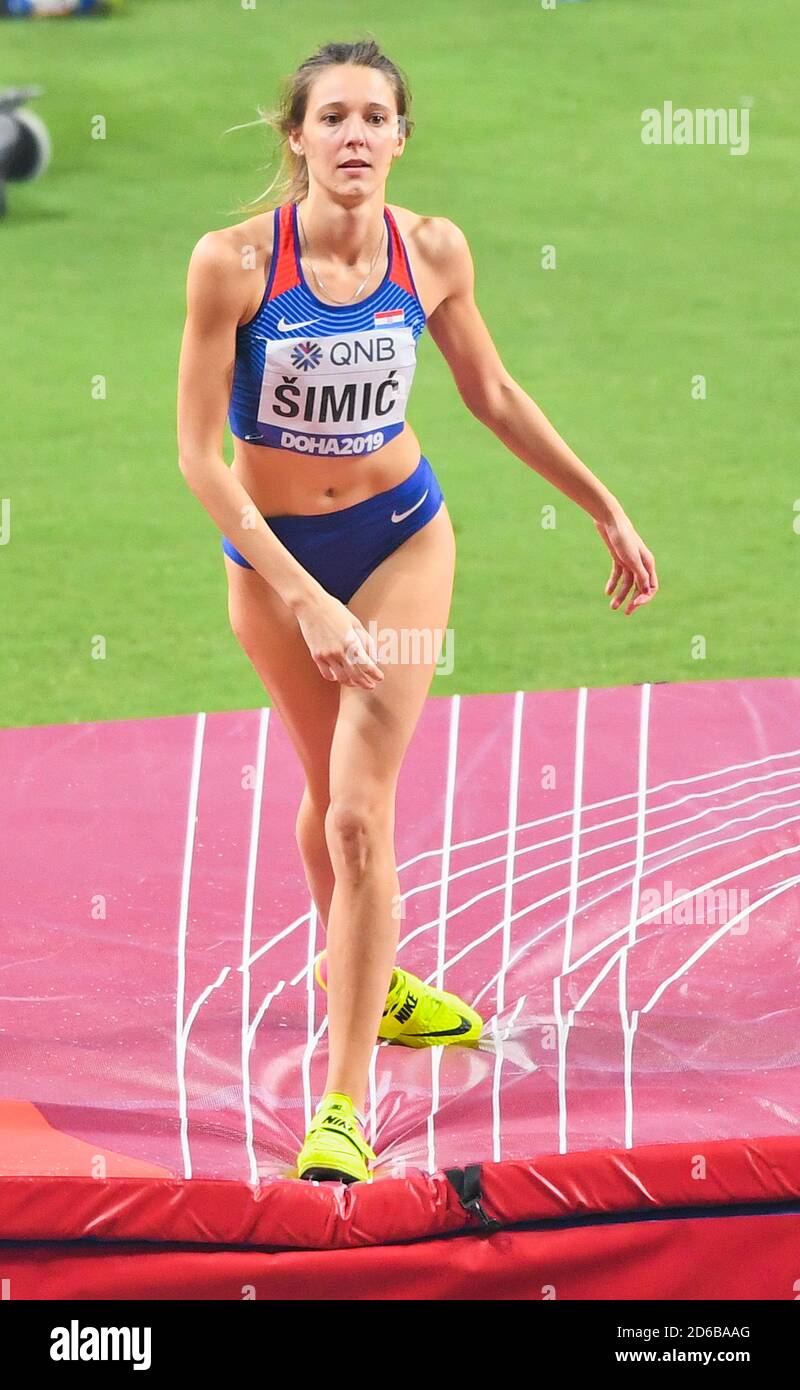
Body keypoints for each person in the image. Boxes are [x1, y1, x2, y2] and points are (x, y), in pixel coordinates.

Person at [176, 38, 659, 1186]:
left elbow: (488, 392)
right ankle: (373, 973)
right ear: (295, 137)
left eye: (373, 118)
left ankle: (340, 1102)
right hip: (273, 563)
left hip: (399, 540)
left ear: (400, 138)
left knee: (356, 814)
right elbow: (201, 458)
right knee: (318, 795)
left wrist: (600, 505)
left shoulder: (430, 251)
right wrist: (299, 599)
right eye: (330, 117)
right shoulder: (235, 263)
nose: (352, 136)